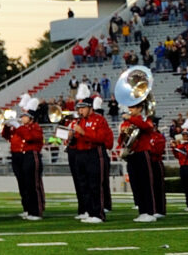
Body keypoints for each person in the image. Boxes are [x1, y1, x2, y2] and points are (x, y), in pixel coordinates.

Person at [64, 91, 114, 222]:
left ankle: (98, 214)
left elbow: (100, 138)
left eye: (83, 108)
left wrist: (83, 132)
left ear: (90, 108)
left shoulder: (99, 120)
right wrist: (70, 136)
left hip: (94, 153)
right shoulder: (80, 121)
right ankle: (89, 211)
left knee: (95, 184)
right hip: (80, 154)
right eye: (79, 109)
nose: (80, 111)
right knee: (83, 184)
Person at [117, 90, 162, 223]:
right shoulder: (126, 123)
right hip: (131, 154)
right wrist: (123, 133)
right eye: (130, 107)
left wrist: (131, 119)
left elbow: (147, 128)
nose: (130, 110)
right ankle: (142, 211)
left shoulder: (144, 119)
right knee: (136, 185)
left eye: (133, 107)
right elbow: (121, 142)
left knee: (146, 184)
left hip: (143, 153)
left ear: (140, 108)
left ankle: (150, 211)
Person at [5, 99, 47, 220]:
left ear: (31, 118)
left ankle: (36, 211)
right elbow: (7, 136)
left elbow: (28, 137)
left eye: (25, 116)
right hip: (19, 157)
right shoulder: (21, 128)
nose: (22, 118)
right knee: (23, 185)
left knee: (32, 185)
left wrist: (18, 126)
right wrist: (7, 127)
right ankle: (28, 209)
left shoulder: (36, 128)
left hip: (31, 155)